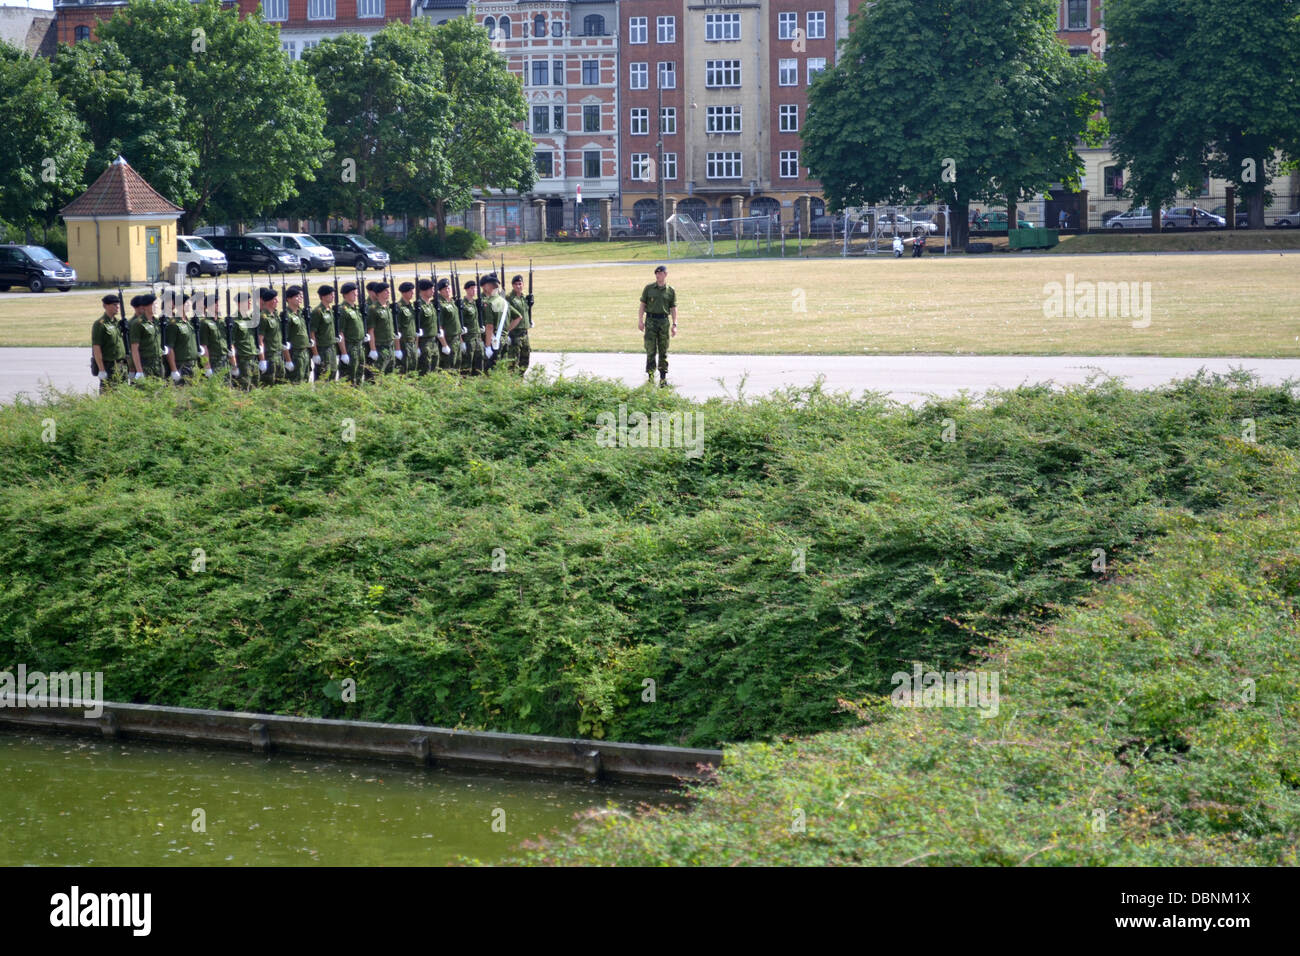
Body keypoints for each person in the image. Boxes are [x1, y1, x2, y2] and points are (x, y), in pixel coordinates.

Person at [637, 265, 677, 387]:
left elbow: (673, 308)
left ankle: (663, 379)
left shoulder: (670, 290)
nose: (658, 275)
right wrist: (640, 320)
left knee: (663, 350)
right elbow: (642, 305)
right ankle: (650, 377)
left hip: (664, 322)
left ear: (665, 274)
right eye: (656, 273)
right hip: (651, 321)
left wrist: (675, 324)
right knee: (650, 350)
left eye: (660, 273)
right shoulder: (649, 289)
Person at [91, 294, 128, 392]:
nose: (117, 307)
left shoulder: (118, 323)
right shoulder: (100, 324)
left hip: (121, 365)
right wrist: (102, 369)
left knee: (123, 395)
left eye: (118, 304)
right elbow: (96, 348)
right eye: (114, 305)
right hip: (109, 366)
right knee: (108, 394)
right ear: (105, 306)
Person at [129, 292, 163, 382]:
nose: (156, 306)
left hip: (158, 363)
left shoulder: (156, 322)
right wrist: (139, 370)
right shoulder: (137, 323)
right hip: (145, 363)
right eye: (153, 304)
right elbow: (134, 349)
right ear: (145, 307)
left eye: (156, 304)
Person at [166, 292, 199, 384]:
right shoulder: (174, 324)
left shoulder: (189, 322)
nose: (189, 305)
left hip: (193, 364)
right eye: (187, 303)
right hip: (181, 365)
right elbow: (170, 348)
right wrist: (174, 369)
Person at [309, 284, 339, 382]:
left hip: (331, 348)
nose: (333, 296)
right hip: (322, 349)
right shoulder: (318, 312)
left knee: (333, 374)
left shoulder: (330, 310)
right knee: (323, 376)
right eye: (330, 294)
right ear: (323, 296)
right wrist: (315, 353)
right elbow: (312, 333)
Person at [256, 287, 286, 385]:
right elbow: (260, 340)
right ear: (269, 301)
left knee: (280, 384)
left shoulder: (275, 315)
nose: (277, 301)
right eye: (275, 299)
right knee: (269, 384)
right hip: (269, 356)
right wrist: (262, 359)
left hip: (278, 355)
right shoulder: (263, 318)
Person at [230, 290, 259, 389]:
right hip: (242, 360)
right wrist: (234, 364)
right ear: (239, 303)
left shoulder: (251, 319)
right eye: (247, 301)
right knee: (243, 388)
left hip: (253, 358)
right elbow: (231, 343)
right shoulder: (234, 321)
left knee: (255, 387)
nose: (250, 303)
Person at [503, 274, 531, 374]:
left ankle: (519, 381)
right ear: (513, 286)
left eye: (520, 284)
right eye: (516, 284)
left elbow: (525, 313)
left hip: (524, 333)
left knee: (525, 361)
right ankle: (513, 383)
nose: (518, 286)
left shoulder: (524, 298)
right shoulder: (509, 298)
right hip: (515, 334)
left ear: (523, 284)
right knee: (513, 363)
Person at [197, 292, 229, 381]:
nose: (218, 305)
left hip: (224, 359)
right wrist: (207, 366)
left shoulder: (221, 322)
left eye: (218, 303)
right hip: (213, 360)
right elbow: (203, 346)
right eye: (215, 303)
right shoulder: (205, 323)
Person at [338, 281, 366, 384]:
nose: (356, 295)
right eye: (353, 293)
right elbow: (341, 333)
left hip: (359, 346)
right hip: (350, 347)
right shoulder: (343, 310)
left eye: (356, 293)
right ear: (346, 295)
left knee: (359, 374)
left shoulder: (356, 308)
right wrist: (344, 353)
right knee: (349, 377)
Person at [366, 280, 395, 375]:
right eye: (386, 291)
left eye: (388, 290)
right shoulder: (373, 309)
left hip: (390, 345)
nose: (388, 292)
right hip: (380, 346)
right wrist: (373, 349)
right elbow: (371, 331)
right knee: (377, 374)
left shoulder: (387, 307)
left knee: (389, 374)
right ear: (379, 293)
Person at [283, 285, 312, 383]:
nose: (300, 298)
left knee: (305, 379)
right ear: (289, 299)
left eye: (301, 296)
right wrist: (288, 360)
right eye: (297, 296)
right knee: (296, 382)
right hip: (294, 353)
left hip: (305, 353)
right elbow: (284, 340)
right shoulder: (287, 316)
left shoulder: (301, 313)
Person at [434, 278, 460, 372]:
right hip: (448, 339)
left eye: (449, 288)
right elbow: (440, 326)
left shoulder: (452, 302)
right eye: (445, 289)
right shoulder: (440, 304)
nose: (448, 290)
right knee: (448, 368)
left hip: (456, 339)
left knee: (457, 367)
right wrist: (444, 345)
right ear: (440, 291)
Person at [394, 281, 419, 374]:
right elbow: (396, 329)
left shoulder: (412, 306)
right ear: (404, 293)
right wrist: (397, 348)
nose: (413, 293)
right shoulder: (399, 307)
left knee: (413, 369)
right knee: (404, 370)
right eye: (410, 291)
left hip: (412, 342)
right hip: (403, 343)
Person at [460, 279, 484, 375]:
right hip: (468, 339)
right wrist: (462, 342)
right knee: (467, 367)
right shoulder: (463, 304)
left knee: (478, 366)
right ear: (466, 290)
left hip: (477, 338)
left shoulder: (476, 303)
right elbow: (459, 324)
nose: (474, 290)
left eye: (475, 288)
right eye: (471, 288)